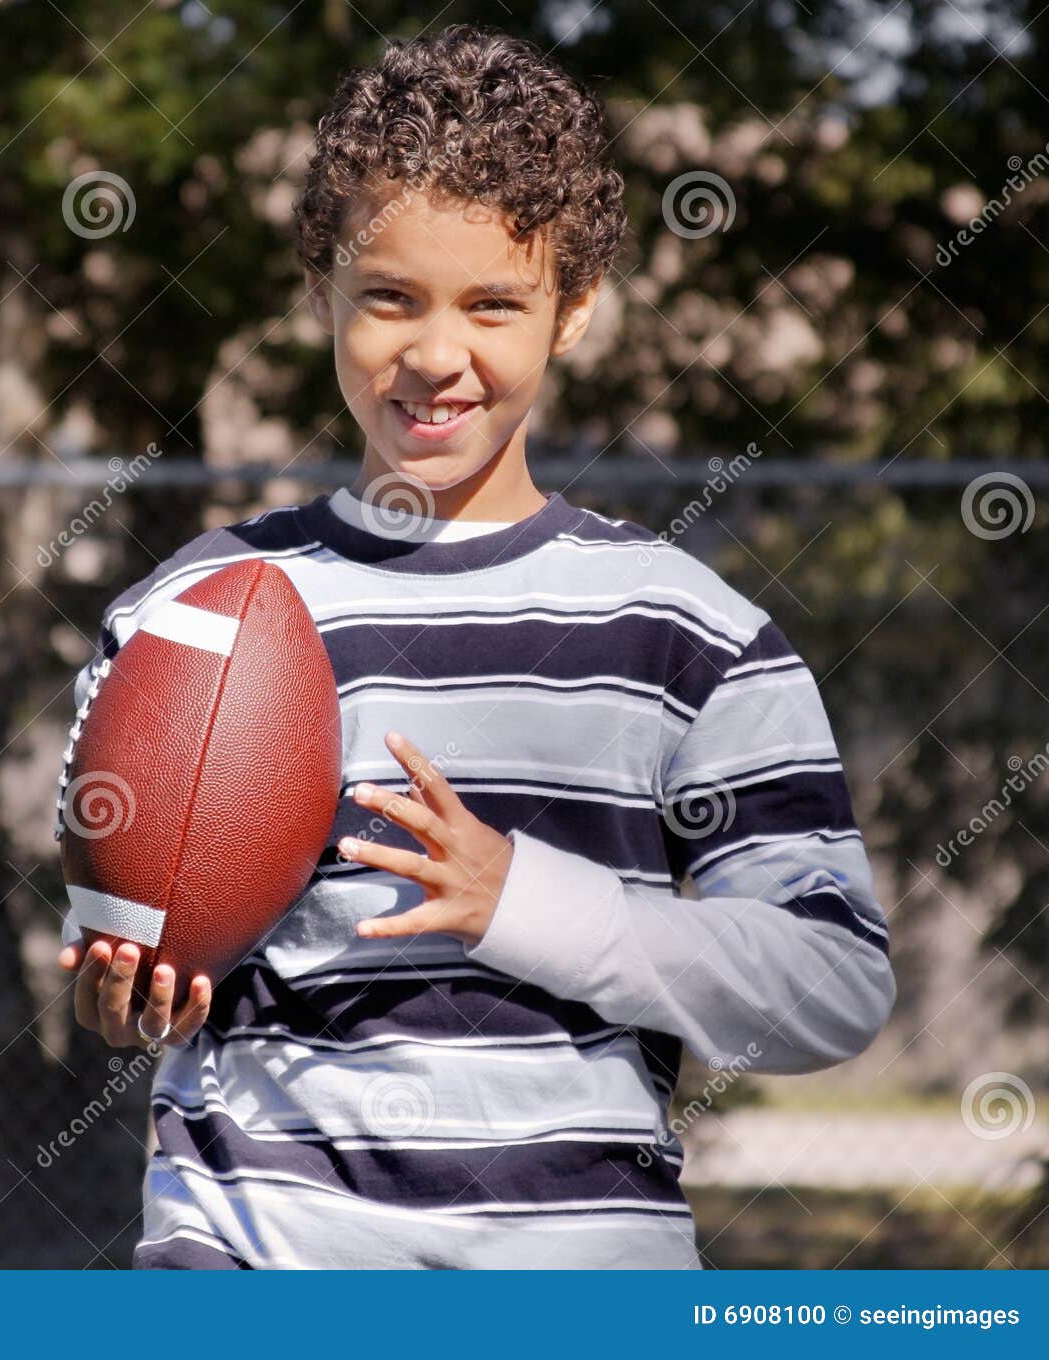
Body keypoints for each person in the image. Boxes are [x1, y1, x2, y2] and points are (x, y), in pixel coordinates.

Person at [54, 23, 894, 1269]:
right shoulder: (195, 609)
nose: (436, 355)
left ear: (572, 311)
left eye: (492, 303)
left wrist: (524, 901)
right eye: (388, 296)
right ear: (319, 293)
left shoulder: (682, 630)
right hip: (260, 1250)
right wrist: (126, 987)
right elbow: (120, 938)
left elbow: (831, 982)